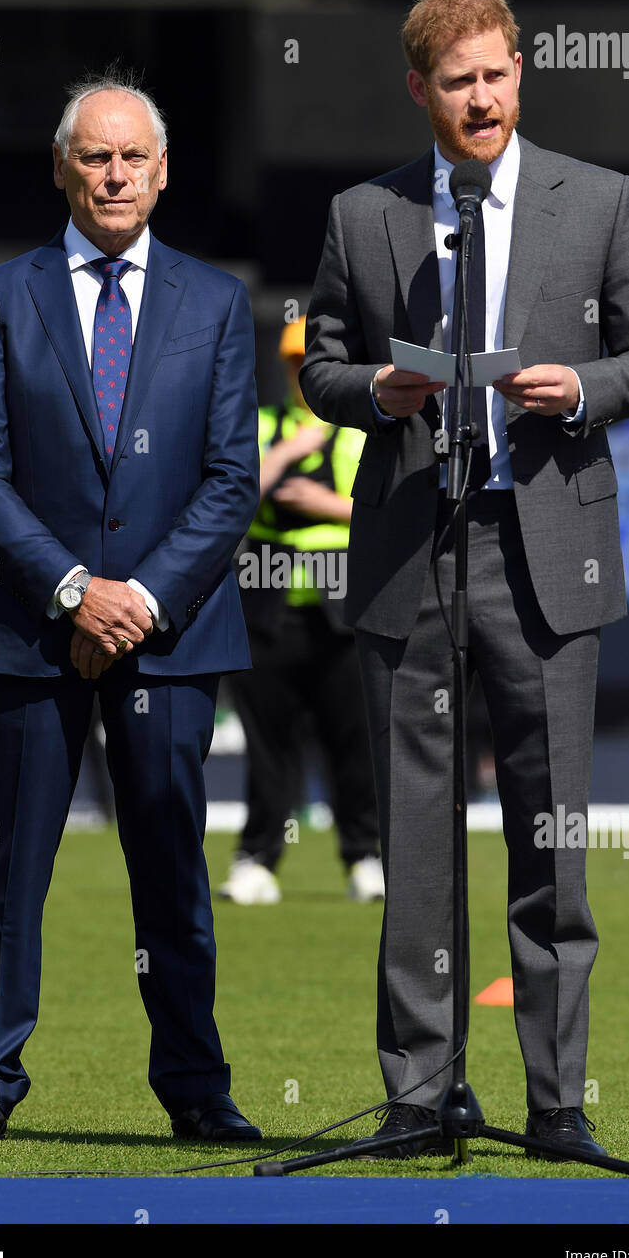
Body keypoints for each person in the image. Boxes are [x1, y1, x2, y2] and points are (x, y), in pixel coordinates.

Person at [300, 0, 629, 1160]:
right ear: (418, 90)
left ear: (522, 73)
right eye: (456, 79)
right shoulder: (362, 215)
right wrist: (378, 389)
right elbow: (319, 363)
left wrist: (575, 388)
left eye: (497, 73)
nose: (481, 96)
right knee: (413, 838)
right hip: (414, 546)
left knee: (549, 839)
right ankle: (418, 1101)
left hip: (544, 553)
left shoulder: (599, 200)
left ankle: (555, 1106)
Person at [0, 73, 262, 1145]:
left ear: (162, 172)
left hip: (170, 638)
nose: (114, 175)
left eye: (133, 158)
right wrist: (75, 593)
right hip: (33, 630)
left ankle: (197, 1092)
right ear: (64, 168)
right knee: (10, 862)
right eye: (94, 156)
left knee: (170, 867)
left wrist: (141, 601)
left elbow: (228, 478)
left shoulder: (214, 302)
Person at [220, 317, 384, 905]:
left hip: (344, 608)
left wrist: (325, 504)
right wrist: (289, 451)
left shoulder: (366, 430)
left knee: (355, 740)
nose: (301, 374)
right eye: (293, 363)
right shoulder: (261, 427)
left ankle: (365, 857)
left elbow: (389, 517)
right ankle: (257, 859)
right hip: (268, 607)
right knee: (268, 741)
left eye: (309, 361)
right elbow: (228, 503)